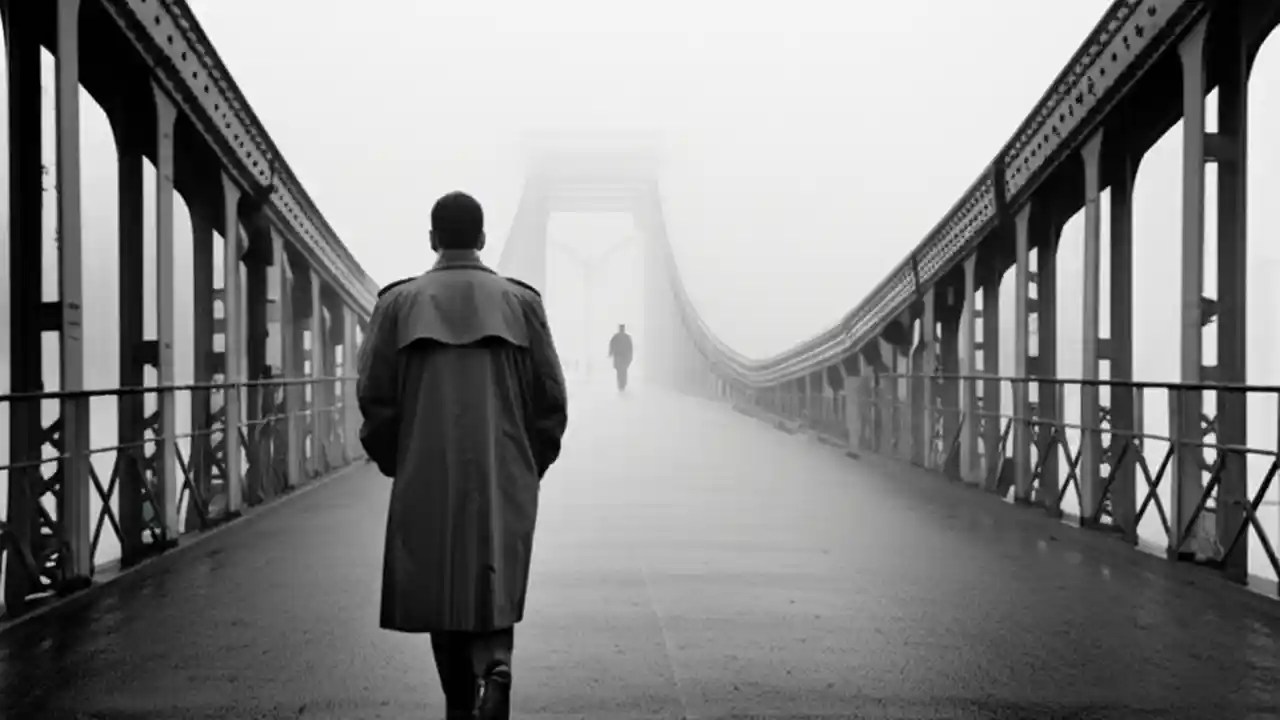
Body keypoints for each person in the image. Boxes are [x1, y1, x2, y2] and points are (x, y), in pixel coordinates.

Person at [357, 191, 568, 719]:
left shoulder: (397, 304)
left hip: (425, 472)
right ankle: (495, 666)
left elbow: (375, 398)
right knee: (493, 572)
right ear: (482, 238)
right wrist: (528, 464)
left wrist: (396, 460)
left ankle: (456, 698)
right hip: (505, 469)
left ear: (432, 239)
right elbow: (551, 400)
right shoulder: (523, 303)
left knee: (439, 584)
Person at [607, 324, 634, 392]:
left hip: (619, 356)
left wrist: (610, 353)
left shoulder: (616, 337)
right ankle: (623, 383)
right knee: (623, 371)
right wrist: (630, 356)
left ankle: (621, 384)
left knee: (620, 371)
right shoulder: (626, 337)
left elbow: (612, 345)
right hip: (623, 357)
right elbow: (630, 347)